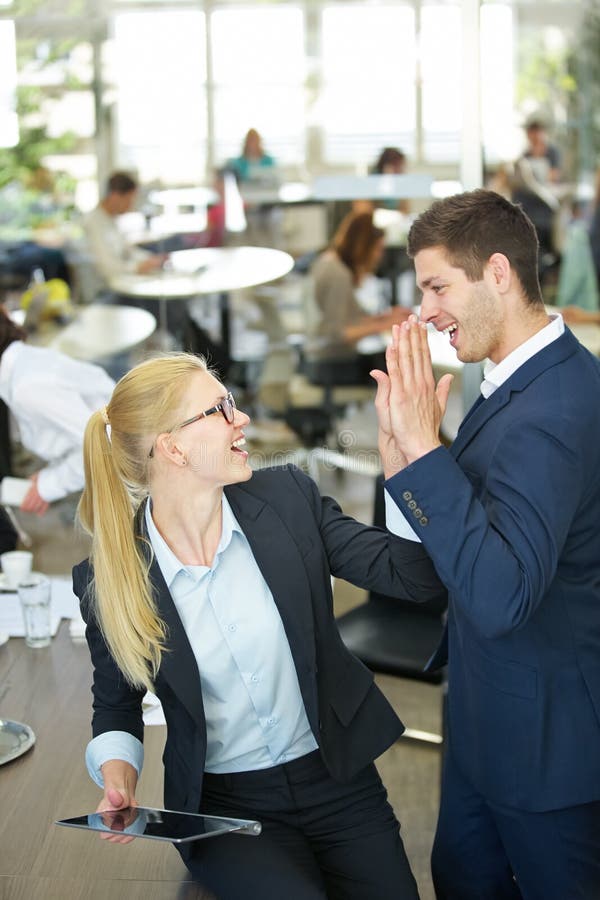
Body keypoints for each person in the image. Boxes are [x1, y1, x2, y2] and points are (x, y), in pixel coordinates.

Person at [72, 351, 447, 900]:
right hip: (226, 809)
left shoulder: (287, 499)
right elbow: (115, 705)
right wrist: (118, 772)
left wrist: (405, 473)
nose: (241, 418)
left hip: (336, 778)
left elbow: (419, 582)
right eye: (220, 409)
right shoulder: (111, 579)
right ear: (173, 447)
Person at [370, 189, 600, 900]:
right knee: (462, 878)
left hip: (544, 743)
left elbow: (501, 595)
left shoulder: (552, 412)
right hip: (484, 713)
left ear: (498, 273)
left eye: (437, 285)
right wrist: (407, 468)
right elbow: (470, 537)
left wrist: (423, 452)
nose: (426, 310)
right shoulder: (513, 377)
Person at [0, 307, 114, 516]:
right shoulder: (24, 363)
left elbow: (104, 443)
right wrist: (46, 480)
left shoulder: (26, 387)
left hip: (130, 475)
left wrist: (48, 486)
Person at [305, 211, 410, 384]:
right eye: (377, 249)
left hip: (322, 361)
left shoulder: (327, 262)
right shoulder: (337, 274)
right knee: (402, 367)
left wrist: (386, 317)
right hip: (329, 365)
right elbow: (339, 334)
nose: (378, 256)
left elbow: (346, 320)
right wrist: (385, 324)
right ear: (363, 246)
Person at [83, 171, 167, 296]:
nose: (131, 205)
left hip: (122, 282)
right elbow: (108, 269)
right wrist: (137, 268)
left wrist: (150, 260)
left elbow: (128, 251)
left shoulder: (111, 220)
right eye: (129, 199)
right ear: (115, 196)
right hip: (107, 292)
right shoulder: (93, 223)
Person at [512, 118, 562, 266]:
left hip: (546, 203)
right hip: (529, 203)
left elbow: (553, 177)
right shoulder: (525, 156)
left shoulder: (552, 152)